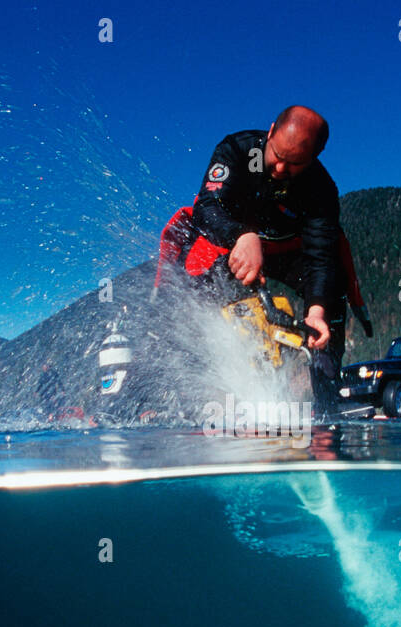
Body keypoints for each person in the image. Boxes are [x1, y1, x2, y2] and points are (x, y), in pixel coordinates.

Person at [154, 105, 370, 416]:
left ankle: (326, 402)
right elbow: (207, 208)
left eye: (294, 164)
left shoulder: (322, 190)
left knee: (331, 297)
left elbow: (321, 258)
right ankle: (190, 399)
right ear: (270, 132)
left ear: (315, 157)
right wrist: (240, 236)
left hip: (289, 254)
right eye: (278, 156)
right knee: (192, 292)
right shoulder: (236, 150)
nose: (281, 169)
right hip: (232, 245)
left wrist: (317, 312)